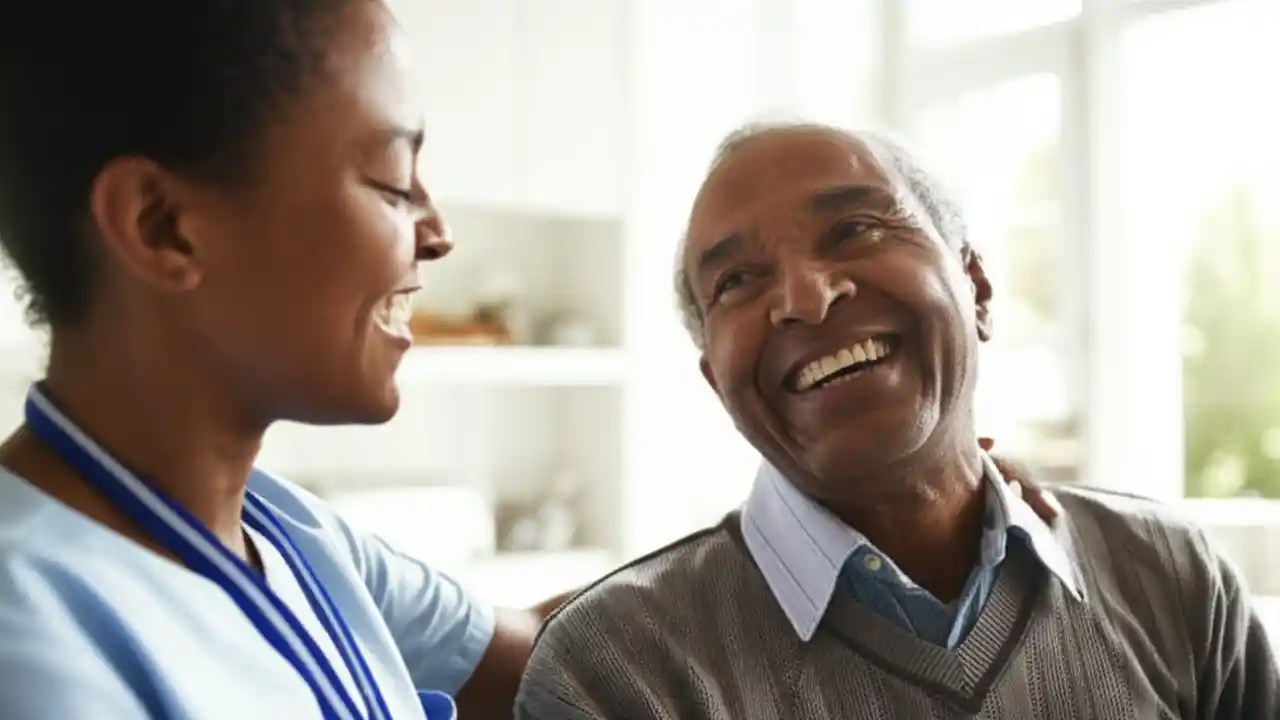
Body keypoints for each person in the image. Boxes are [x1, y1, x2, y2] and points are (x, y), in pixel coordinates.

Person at [515, 122, 1280, 718]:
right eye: (740, 280)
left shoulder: (1169, 577)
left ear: (976, 288)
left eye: (853, 230)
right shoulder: (617, 671)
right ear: (717, 381)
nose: (807, 299)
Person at [0, 2, 563, 718]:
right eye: (393, 180)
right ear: (162, 226)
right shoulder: (30, 644)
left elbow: (554, 655)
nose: (438, 234)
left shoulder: (280, 528)